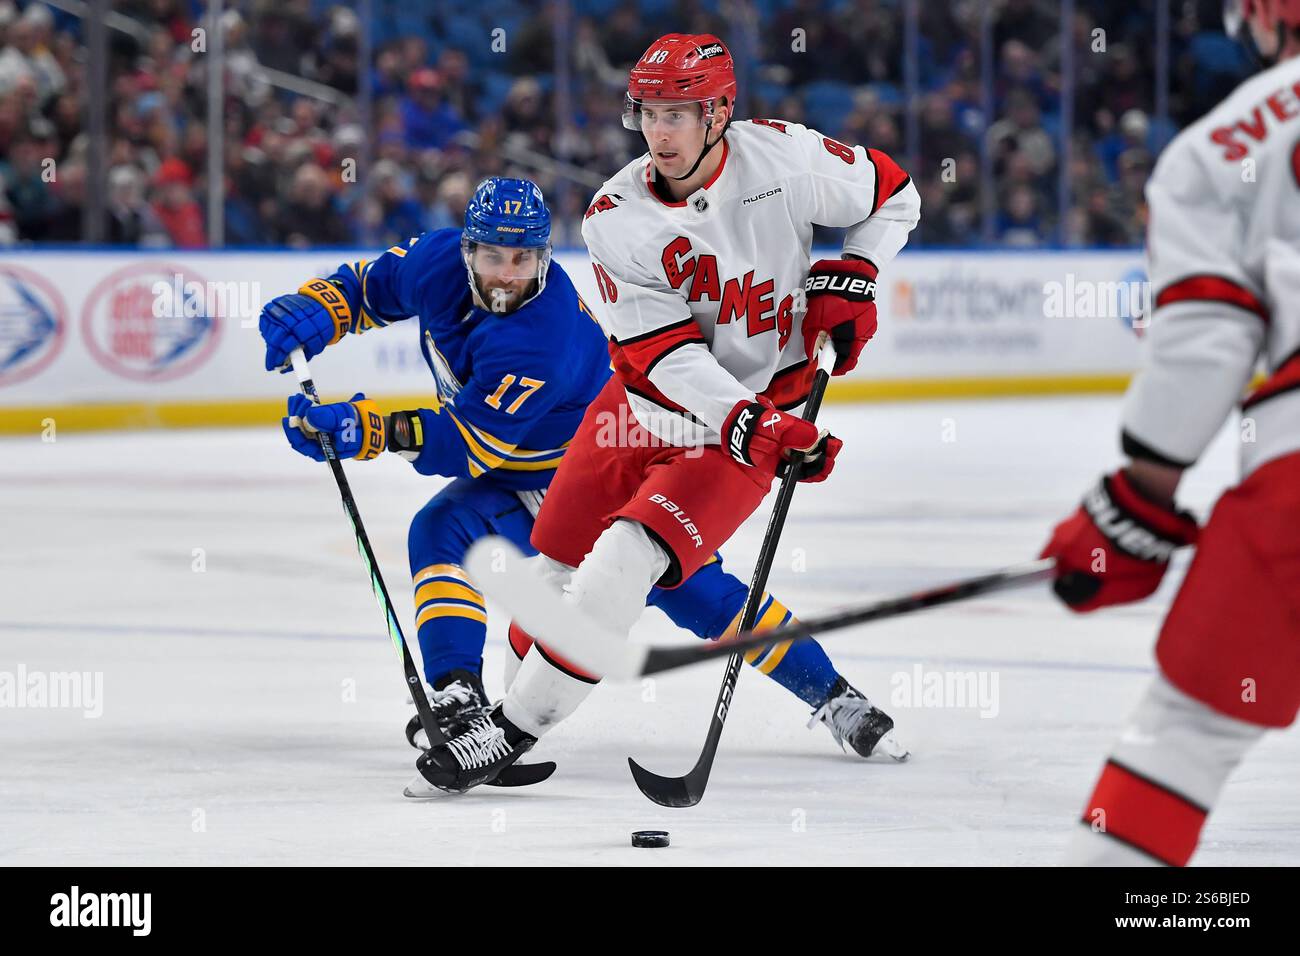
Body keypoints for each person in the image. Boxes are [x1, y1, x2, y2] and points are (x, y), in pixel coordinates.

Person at [256, 176, 904, 765]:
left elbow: (466, 446)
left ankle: (834, 695)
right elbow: (369, 289)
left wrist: (365, 430)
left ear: (543, 256)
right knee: (440, 530)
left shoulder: (541, 336)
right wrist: (319, 309)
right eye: (493, 257)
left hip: (594, 476)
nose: (508, 275)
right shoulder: (435, 261)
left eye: (524, 259)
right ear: (466, 251)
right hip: (523, 471)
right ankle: (458, 695)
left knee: (699, 595)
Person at [419, 35, 920, 793]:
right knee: (550, 575)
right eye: (650, 112)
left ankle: (509, 733)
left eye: (679, 112)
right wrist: (757, 421)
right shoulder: (616, 216)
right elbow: (667, 360)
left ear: (720, 111)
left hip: (731, 438)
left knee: (631, 559)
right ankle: (513, 698)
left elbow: (895, 196)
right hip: (639, 412)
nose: (660, 131)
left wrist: (854, 274)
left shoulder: (786, 160)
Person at [1041, 0, 1300, 865]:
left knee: (1182, 739)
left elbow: (1208, 342)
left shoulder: (1221, 146)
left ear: (1264, 21)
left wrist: (1132, 511)